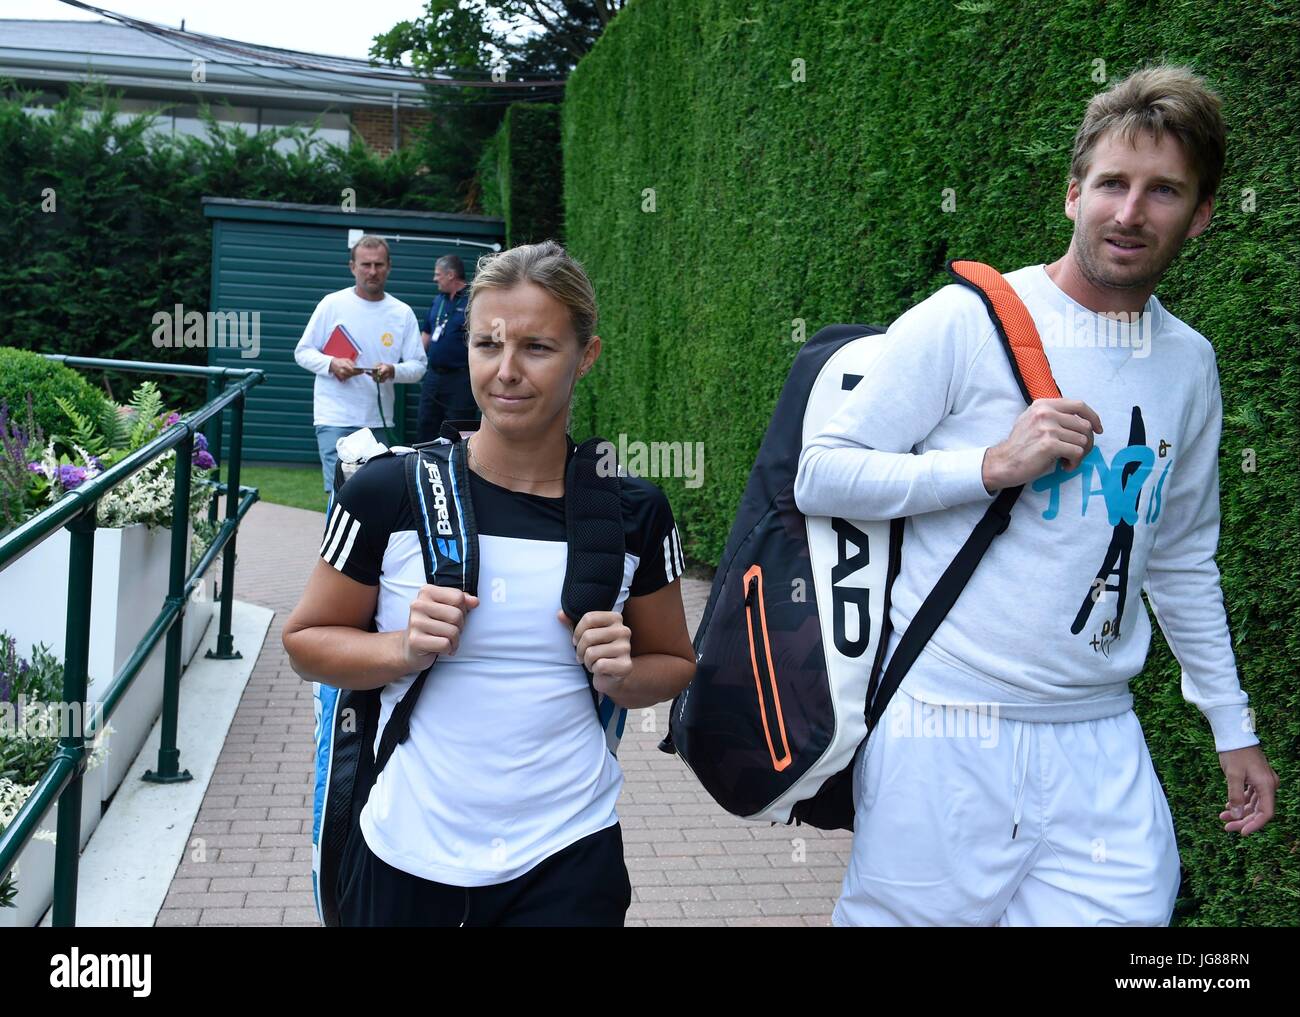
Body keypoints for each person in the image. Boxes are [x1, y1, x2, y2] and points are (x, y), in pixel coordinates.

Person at [793, 64, 1279, 927]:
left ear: (1200, 216)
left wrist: (1230, 724)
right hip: (946, 726)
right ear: (1072, 194)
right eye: (1112, 184)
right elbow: (823, 471)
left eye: (1163, 191)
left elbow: (1179, 554)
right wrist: (987, 466)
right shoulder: (967, 320)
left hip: (1101, 734)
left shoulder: (1191, 363)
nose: (1130, 213)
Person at [282, 240, 696, 927]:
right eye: (486, 344)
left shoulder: (634, 510)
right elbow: (304, 642)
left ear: (585, 357)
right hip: (405, 854)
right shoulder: (388, 488)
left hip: (569, 856)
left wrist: (622, 676)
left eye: (537, 347)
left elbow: (675, 664)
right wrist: (401, 649)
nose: (506, 372)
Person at [293, 235, 426, 503]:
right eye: (366, 265)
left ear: (389, 266)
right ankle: (334, 545)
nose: (372, 271)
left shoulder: (401, 312)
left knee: (375, 497)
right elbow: (303, 353)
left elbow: (419, 366)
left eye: (378, 264)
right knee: (338, 492)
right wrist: (332, 364)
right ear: (352, 266)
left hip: (378, 420)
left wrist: (392, 370)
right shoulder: (332, 304)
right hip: (335, 417)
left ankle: (367, 547)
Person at [416, 254, 479, 443]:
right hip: (433, 377)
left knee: (458, 430)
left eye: (438, 274)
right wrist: (414, 360)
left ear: (451, 275)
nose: (435, 279)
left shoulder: (473, 300)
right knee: (425, 424)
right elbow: (427, 332)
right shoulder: (438, 300)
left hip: (460, 379)